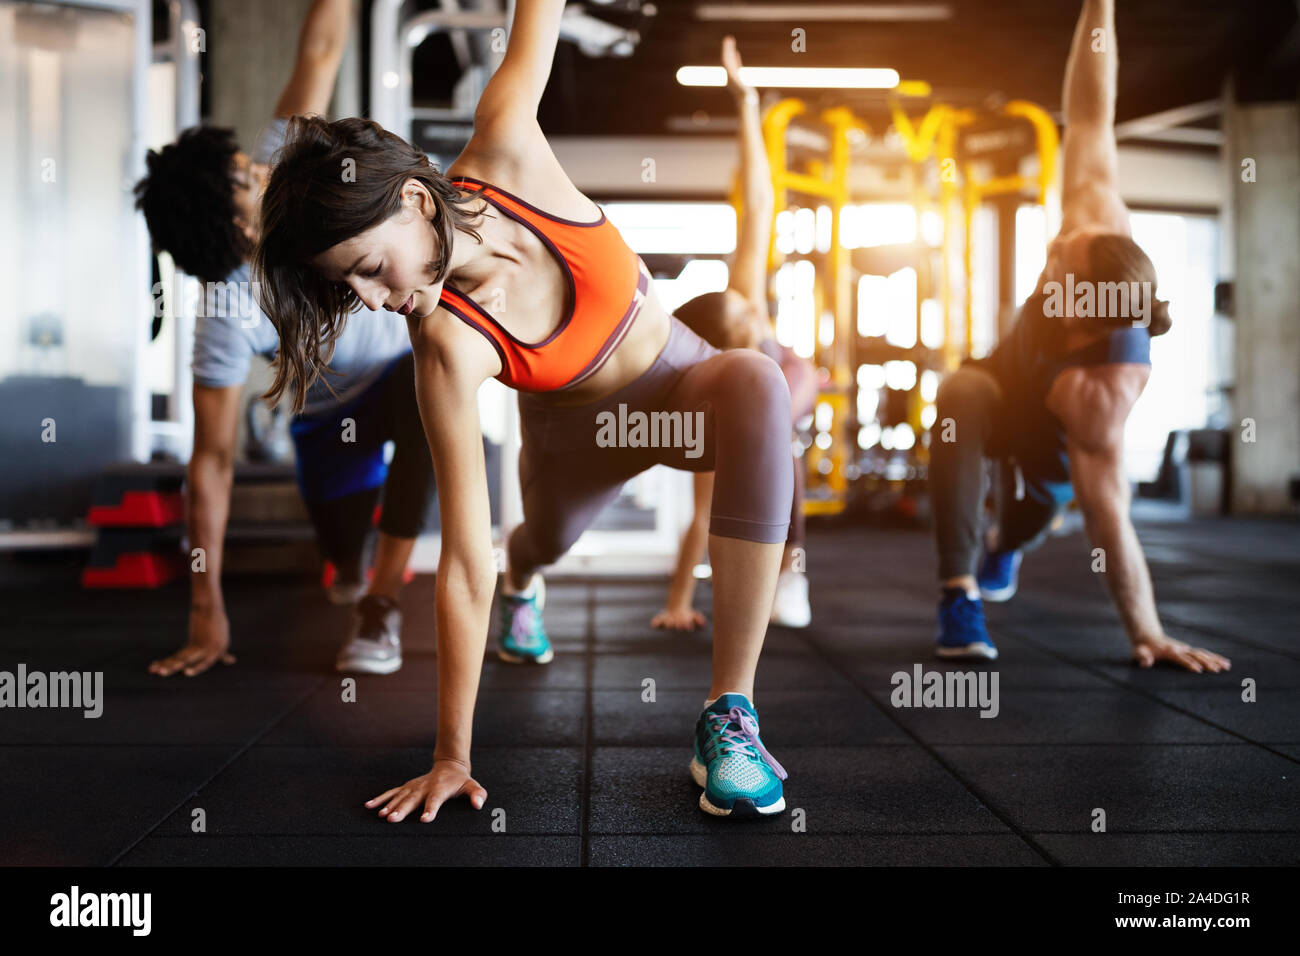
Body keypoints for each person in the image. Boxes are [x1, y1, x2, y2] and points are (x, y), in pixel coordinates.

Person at [254, 0, 796, 819]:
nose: (372, 299)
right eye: (350, 287)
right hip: (580, 439)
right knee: (533, 546)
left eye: (369, 267)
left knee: (757, 378)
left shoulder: (507, 139)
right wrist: (450, 755)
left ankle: (730, 717)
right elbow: (465, 560)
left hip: (681, 385)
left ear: (414, 200)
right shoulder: (444, 347)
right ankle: (531, 586)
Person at [928, 0, 1231, 675]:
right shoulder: (1097, 221)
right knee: (960, 392)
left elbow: (1110, 517)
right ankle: (958, 592)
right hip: (1002, 385)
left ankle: (1007, 541)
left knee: (1034, 518)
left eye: (1067, 255)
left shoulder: (1101, 389)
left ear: (1085, 311)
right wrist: (1101, 5)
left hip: (1052, 440)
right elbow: (1093, 111)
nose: (1061, 238)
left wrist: (1146, 631)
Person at [134, 0, 434, 677]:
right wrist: (204, 606)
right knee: (340, 557)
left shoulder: (288, 164)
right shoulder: (227, 308)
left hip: (396, 372)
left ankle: (381, 605)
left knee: (430, 399)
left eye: (245, 160)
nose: (259, 166)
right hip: (327, 414)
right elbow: (210, 463)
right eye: (245, 178)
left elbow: (321, 50)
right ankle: (356, 570)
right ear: (239, 234)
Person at [654, 36, 818, 632]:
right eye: (747, 323)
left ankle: (791, 570)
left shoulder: (744, 300)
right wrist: (678, 602)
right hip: (755, 401)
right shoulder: (714, 393)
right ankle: (783, 570)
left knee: (779, 434)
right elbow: (701, 514)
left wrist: (746, 102)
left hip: (795, 376)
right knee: (762, 442)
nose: (756, 312)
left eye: (749, 312)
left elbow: (758, 202)